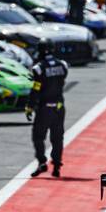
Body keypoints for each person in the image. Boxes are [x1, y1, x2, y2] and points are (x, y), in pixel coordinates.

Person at [27, 42, 69, 177]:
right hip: (59, 108)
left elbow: (36, 89)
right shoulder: (63, 65)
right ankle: (57, 166)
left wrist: (30, 106)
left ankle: (42, 162)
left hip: (45, 109)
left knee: (38, 136)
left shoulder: (39, 68)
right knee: (57, 138)